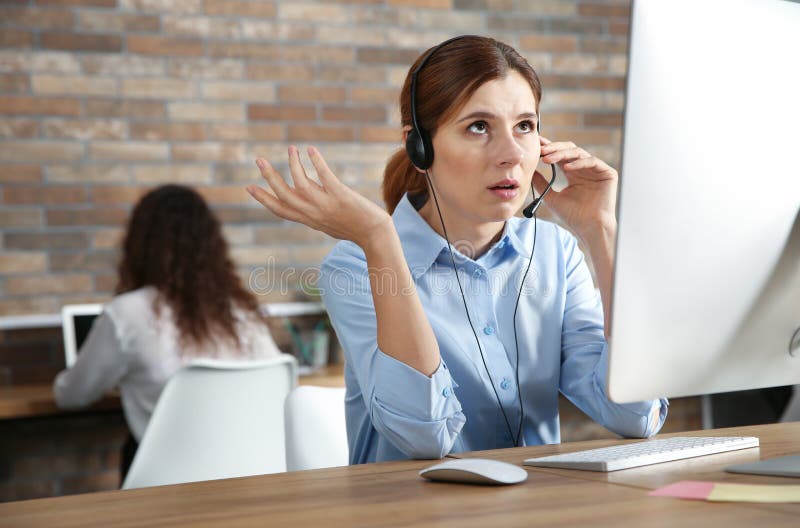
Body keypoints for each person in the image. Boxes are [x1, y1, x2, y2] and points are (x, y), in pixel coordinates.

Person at [246, 35, 668, 464]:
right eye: (479, 127)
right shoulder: (356, 265)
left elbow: (634, 414)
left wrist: (602, 230)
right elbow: (423, 436)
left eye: (525, 125)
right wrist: (378, 238)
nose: (511, 155)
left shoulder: (555, 252)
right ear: (420, 148)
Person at [54, 184, 281, 479]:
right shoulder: (240, 312)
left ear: (140, 244)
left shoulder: (127, 313)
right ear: (211, 245)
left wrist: (123, 377)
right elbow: (278, 381)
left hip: (165, 484)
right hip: (245, 474)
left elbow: (72, 394)